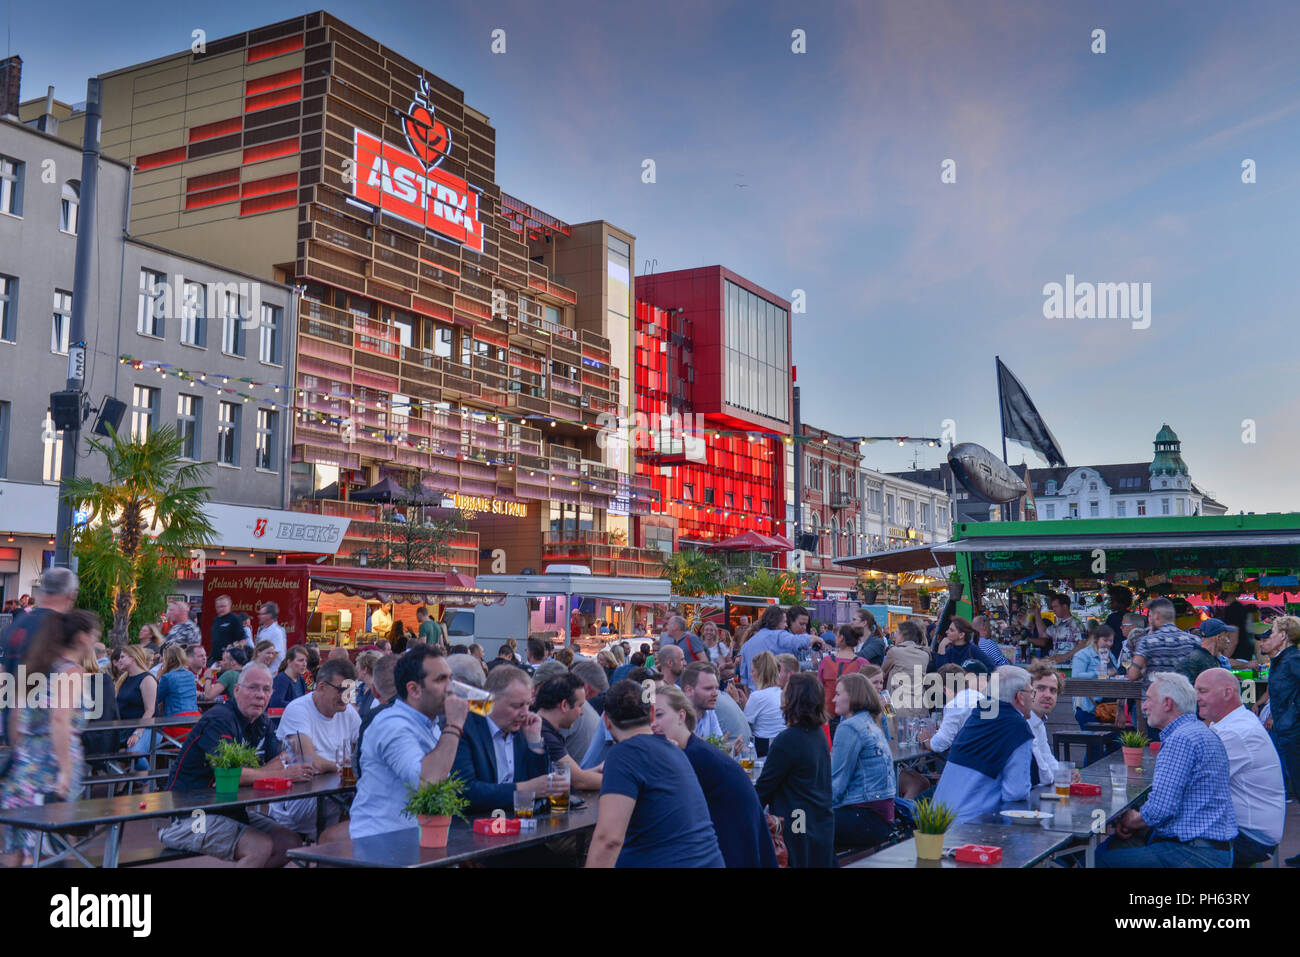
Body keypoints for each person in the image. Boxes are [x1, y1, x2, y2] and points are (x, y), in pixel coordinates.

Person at [157, 664, 313, 866]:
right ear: (237, 690)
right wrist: (280, 774)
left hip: (230, 811)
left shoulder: (261, 722)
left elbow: (283, 759)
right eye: (253, 688)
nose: (260, 695)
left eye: (266, 690)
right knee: (259, 846)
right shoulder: (220, 719)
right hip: (189, 816)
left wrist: (263, 772)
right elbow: (231, 775)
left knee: (289, 842)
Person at [1096, 673, 1236, 867]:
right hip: (1214, 848)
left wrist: (1131, 820)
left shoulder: (1181, 739)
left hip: (1194, 853)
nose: (1144, 706)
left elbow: (1160, 809)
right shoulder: (1199, 731)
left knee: (1097, 861)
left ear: (1167, 703)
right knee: (1116, 846)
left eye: (1149, 700)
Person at [585, 679, 724, 867]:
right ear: (651, 714)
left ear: (607, 722)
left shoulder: (623, 754)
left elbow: (609, 840)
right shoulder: (675, 751)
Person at [0, 610, 98, 866]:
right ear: (82, 638)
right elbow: (59, 719)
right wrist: (65, 771)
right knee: (53, 847)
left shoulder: (38, 665)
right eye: (95, 635)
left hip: (25, 762)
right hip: (54, 762)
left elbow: (14, 717)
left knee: (16, 843)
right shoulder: (71, 671)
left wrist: (19, 751)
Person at [349, 646, 470, 838]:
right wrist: (454, 726)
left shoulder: (430, 724)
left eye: (450, 678)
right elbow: (426, 785)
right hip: (381, 845)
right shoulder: (392, 725)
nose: (451, 688)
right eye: (441, 679)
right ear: (413, 690)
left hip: (414, 839)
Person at [651, 683, 777, 867]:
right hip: (742, 843)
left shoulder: (692, 757)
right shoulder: (694, 748)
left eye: (660, 714)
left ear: (681, 716)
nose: (653, 724)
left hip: (735, 848)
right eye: (650, 717)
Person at [1195, 668, 1285, 867]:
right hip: (1246, 828)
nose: (1196, 698)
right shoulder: (1232, 722)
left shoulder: (1235, 732)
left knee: (1165, 842)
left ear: (1227, 693)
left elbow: (1197, 785)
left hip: (1251, 837)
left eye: (1202, 691)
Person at [270, 657, 360, 841]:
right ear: (320, 687)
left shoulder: (348, 712)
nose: (348, 697)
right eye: (343, 690)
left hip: (335, 793)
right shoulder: (298, 710)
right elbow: (311, 761)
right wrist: (340, 766)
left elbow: (366, 750)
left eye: (351, 690)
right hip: (298, 800)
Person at [932, 665, 1035, 823]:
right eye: (1031, 692)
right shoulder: (1017, 727)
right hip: (969, 826)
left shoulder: (979, 714)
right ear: (1020, 696)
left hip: (935, 821)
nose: (1033, 697)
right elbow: (1016, 792)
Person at [755, 672, 834, 867]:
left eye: (784, 690)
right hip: (819, 822)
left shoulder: (788, 739)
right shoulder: (817, 734)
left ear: (792, 698)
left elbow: (764, 789)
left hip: (796, 826)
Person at [450, 664, 554, 814]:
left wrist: (534, 742)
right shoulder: (466, 728)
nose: (525, 713)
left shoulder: (523, 729)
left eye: (528, 704)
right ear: (490, 701)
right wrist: (521, 789)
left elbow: (540, 790)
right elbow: (466, 791)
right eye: (516, 706)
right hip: (475, 828)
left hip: (518, 826)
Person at [0, 567, 79, 744]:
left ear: (42, 590)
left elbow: (4, 676)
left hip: (13, 725)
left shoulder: (16, 624)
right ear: (71, 594)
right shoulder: (63, 628)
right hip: (45, 734)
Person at [830, 672, 896, 850]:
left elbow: (836, 786)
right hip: (881, 816)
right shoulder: (869, 722)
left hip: (865, 817)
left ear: (852, 697)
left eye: (837, 694)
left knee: (798, 825)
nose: (833, 700)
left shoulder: (849, 727)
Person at [1258, 615, 1300, 866]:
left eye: (1272, 632)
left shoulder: (1293, 659)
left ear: (1283, 636)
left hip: (1293, 733)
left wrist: (1294, 717)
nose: (1268, 637)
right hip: (1288, 731)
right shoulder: (1283, 660)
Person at [533, 673, 603, 790]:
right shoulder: (545, 735)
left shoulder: (543, 729)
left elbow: (571, 776)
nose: (582, 712)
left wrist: (597, 769)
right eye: (580, 706)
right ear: (564, 705)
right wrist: (621, 782)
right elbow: (579, 781)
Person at [738, 605, 821, 690]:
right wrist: (816, 639)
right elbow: (796, 641)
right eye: (784, 622)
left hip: (755, 694)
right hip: (773, 693)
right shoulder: (778, 635)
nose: (786, 625)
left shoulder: (746, 645)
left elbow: (744, 680)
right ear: (776, 622)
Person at [1025, 661, 1080, 786]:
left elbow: (1047, 758)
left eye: (1053, 691)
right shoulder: (1022, 721)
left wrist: (1066, 773)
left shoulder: (1038, 721)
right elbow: (1042, 772)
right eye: (1041, 688)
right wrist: (1063, 777)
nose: (1048, 695)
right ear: (1027, 690)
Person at [918, 663, 987, 753]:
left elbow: (940, 744)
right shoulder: (979, 696)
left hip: (971, 757)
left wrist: (925, 740)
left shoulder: (955, 705)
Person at [1127, 597, 1199, 680]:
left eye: (1150, 616)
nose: (1149, 620)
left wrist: (1145, 669)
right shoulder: (1194, 640)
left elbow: (1133, 675)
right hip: (1183, 691)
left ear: (1156, 616)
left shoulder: (1147, 641)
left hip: (1155, 691)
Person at [354, 653, 398, 779]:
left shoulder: (377, 695)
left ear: (365, 669)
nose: (355, 668)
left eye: (357, 665)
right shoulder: (363, 687)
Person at [116, 644, 159, 769]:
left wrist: (137, 733)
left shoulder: (147, 679)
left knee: (132, 752)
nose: (119, 660)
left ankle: (148, 782)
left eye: (122, 657)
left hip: (148, 728)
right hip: (126, 728)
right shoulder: (124, 679)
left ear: (133, 658)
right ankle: (124, 783)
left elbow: (150, 710)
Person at [1069, 624, 1119, 728]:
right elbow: (1076, 677)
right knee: (1095, 743)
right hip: (1089, 709)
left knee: (1114, 742)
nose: (1109, 644)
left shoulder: (1111, 656)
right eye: (1105, 640)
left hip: (1109, 708)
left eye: (1111, 640)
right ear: (1096, 639)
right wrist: (1098, 673)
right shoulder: (1082, 655)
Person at [681, 661, 735, 750]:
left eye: (716, 688)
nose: (715, 693)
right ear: (689, 690)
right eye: (708, 688)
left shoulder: (709, 712)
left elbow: (718, 745)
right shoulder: (678, 718)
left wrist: (728, 748)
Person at [882, 620, 931, 717]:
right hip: (920, 707)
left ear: (902, 634)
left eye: (896, 632)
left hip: (896, 707)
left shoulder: (894, 652)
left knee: (891, 730)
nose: (894, 635)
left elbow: (882, 674)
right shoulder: (925, 655)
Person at [818, 624, 867, 719]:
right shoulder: (862, 663)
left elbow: (820, 688)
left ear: (841, 638)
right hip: (853, 716)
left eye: (836, 635)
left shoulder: (826, 661)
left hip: (828, 715)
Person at [744, 651, 786, 756]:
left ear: (759, 673)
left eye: (752, 671)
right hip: (783, 742)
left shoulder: (757, 696)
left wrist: (735, 703)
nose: (751, 674)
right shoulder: (782, 693)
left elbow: (745, 723)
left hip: (764, 745)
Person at [1030, 593, 1088, 663]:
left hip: (1072, 667)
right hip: (1057, 666)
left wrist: (1064, 656)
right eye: (1053, 607)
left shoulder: (1076, 624)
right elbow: (1042, 634)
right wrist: (1037, 613)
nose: (1053, 610)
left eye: (1056, 607)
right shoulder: (1056, 625)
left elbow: (1083, 644)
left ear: (1065, 607)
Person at [931, 617, 997, 671]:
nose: (946, 632)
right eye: (948, 629)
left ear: (961, 635)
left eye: (951, 630)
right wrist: (941, 647)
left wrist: (975, 679)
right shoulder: (948, 651)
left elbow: (992, 669)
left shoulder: (973, 650)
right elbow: (941, 674)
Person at [270, 645, 310, 710]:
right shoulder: (281, 679)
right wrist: (299, 705)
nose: (304, 664)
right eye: (300, 660)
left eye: (306, 661)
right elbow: (276, 703)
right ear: (289, 662)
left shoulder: (301, 679)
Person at [209, 594, 246, 662]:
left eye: (223, 606)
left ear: (229, 606)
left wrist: (232, 653)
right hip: (215, 659)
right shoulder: (216, 620)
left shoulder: (234, 619)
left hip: (228, 660)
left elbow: (242, 640)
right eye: (218, 607)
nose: (220, 609)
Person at [255, 602, 287, 673]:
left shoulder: (276, 632)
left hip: (272, 673)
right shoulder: (262, 630)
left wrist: (263, 669)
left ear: (269, 616)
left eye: (262, 614)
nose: (259, 616)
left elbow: (274, 654)